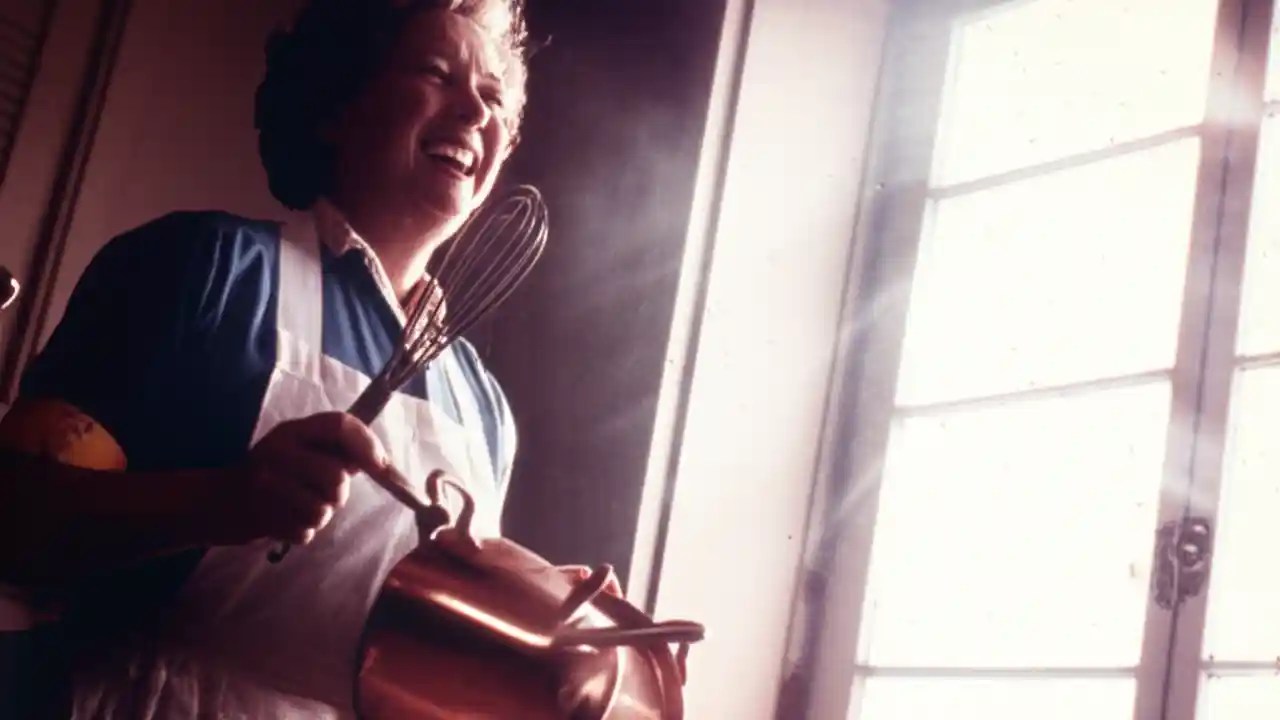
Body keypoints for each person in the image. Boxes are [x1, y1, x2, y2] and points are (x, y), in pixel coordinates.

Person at [0, 0, 533, 716]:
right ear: (336, 104)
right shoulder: (204, 270)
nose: (474, 111)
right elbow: (15, 519)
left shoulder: (485, 409)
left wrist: (564, 638)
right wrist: (222, 501)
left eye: (494, 96)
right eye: (437, 75)